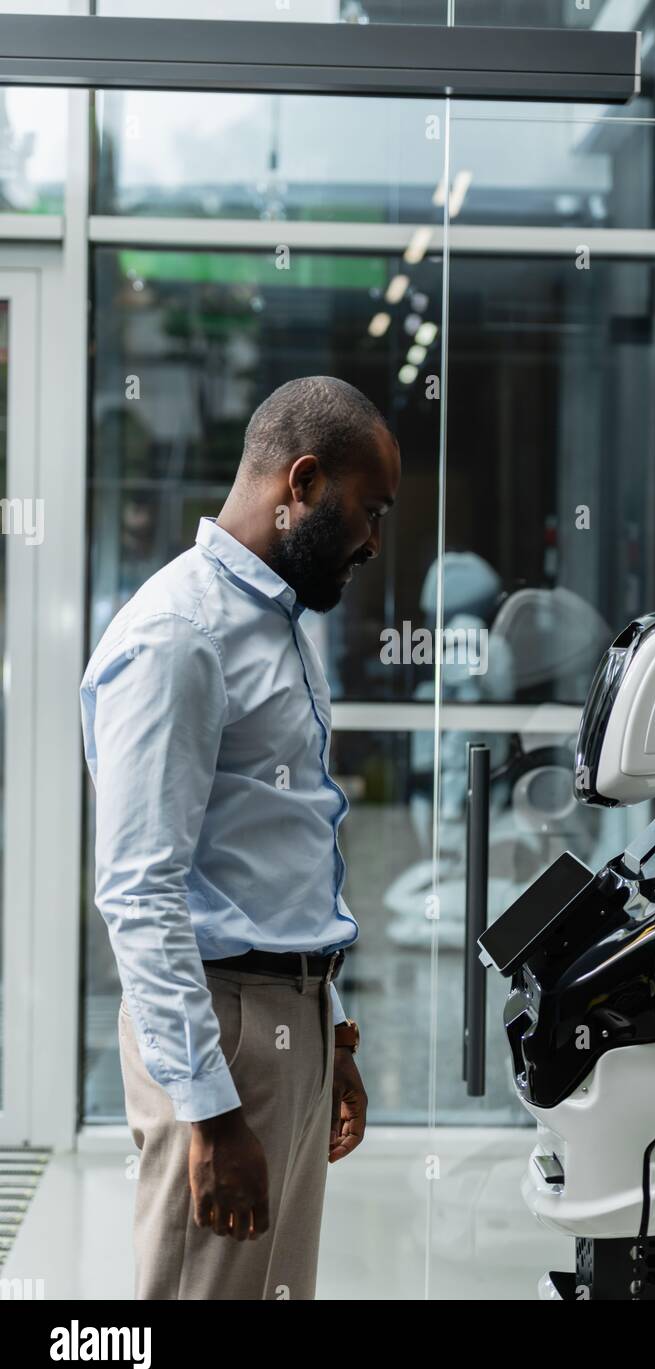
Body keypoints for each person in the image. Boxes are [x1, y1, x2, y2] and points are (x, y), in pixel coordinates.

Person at [80, 375, 401, 1300]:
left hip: (287, 1020)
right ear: (299, 483)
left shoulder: (281, 622)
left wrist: (332, 1033)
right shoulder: (181, 635)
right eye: (366, 510)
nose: (373, 541)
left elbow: (283, 849)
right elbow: (138, 891)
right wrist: (210, 1113)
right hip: (219, 1032)